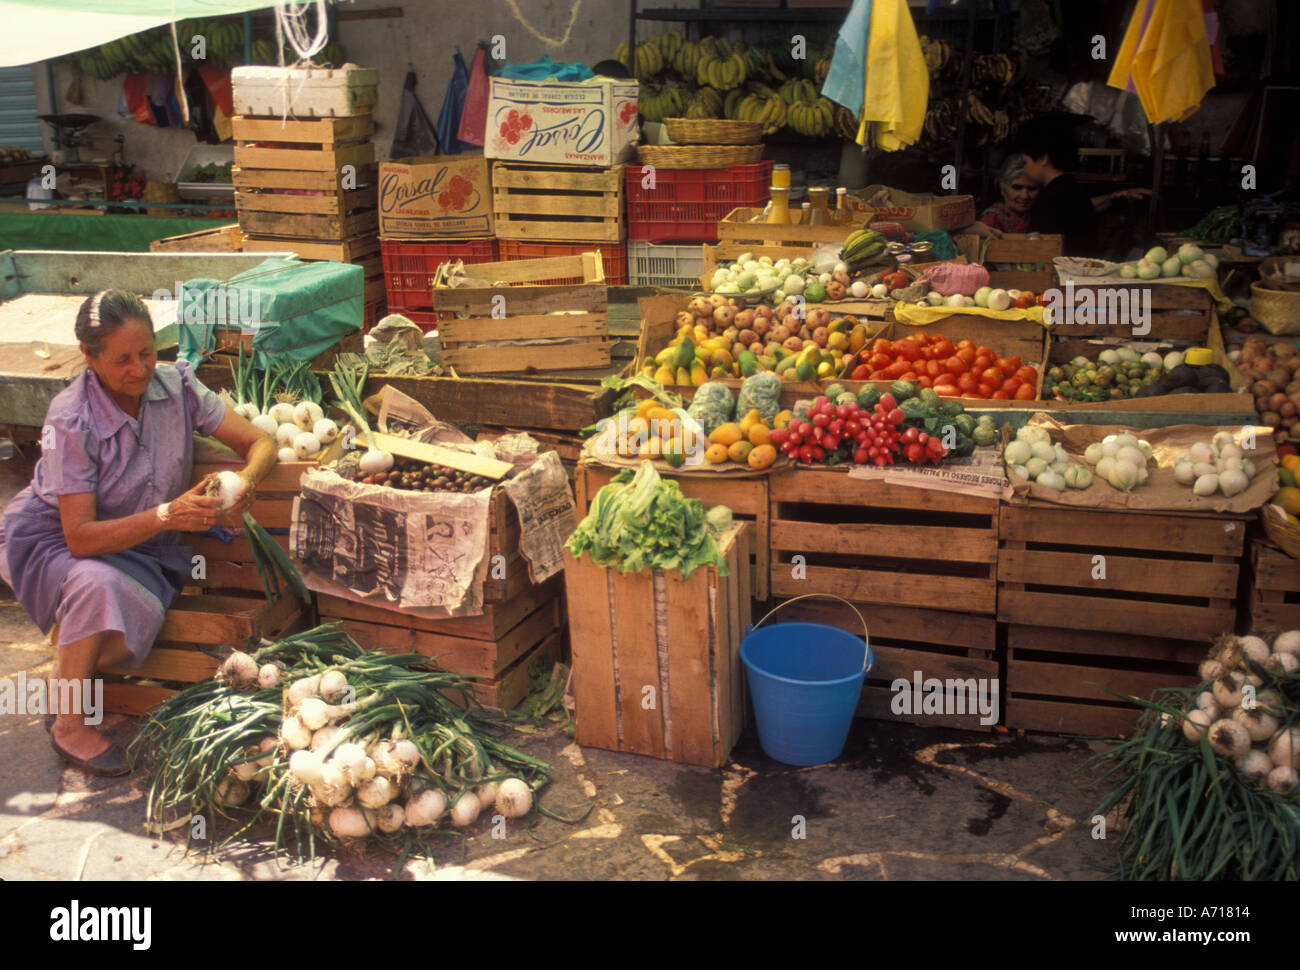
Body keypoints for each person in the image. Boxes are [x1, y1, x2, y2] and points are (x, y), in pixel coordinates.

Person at [0, 290, 278, 775]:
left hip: (142, 541)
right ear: (89, 357)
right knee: (96, 586)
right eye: (122, 359)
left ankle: (70, 660)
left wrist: (247, 483)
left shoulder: (178, 386)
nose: (139, 369)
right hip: (55, 539)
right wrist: (167, 515)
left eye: (147, 353)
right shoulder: (71, 418)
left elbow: (260, 440)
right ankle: (68, 723)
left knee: (115, 633)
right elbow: (81, 539)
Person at [1011, 116, 1103, 257]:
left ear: (1043, 159)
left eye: (1025, 161)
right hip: (1077, 276)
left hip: (1066, 278)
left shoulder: (1051, 198)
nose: (1023, 168)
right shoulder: (1073, 189)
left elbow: (1042, 254)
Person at [978, 154, 1039, 235]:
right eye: (1017, 187)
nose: (1025, 196)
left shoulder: (1038, 216)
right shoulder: (991, 220)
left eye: (1031, 188)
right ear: (1002, 189)